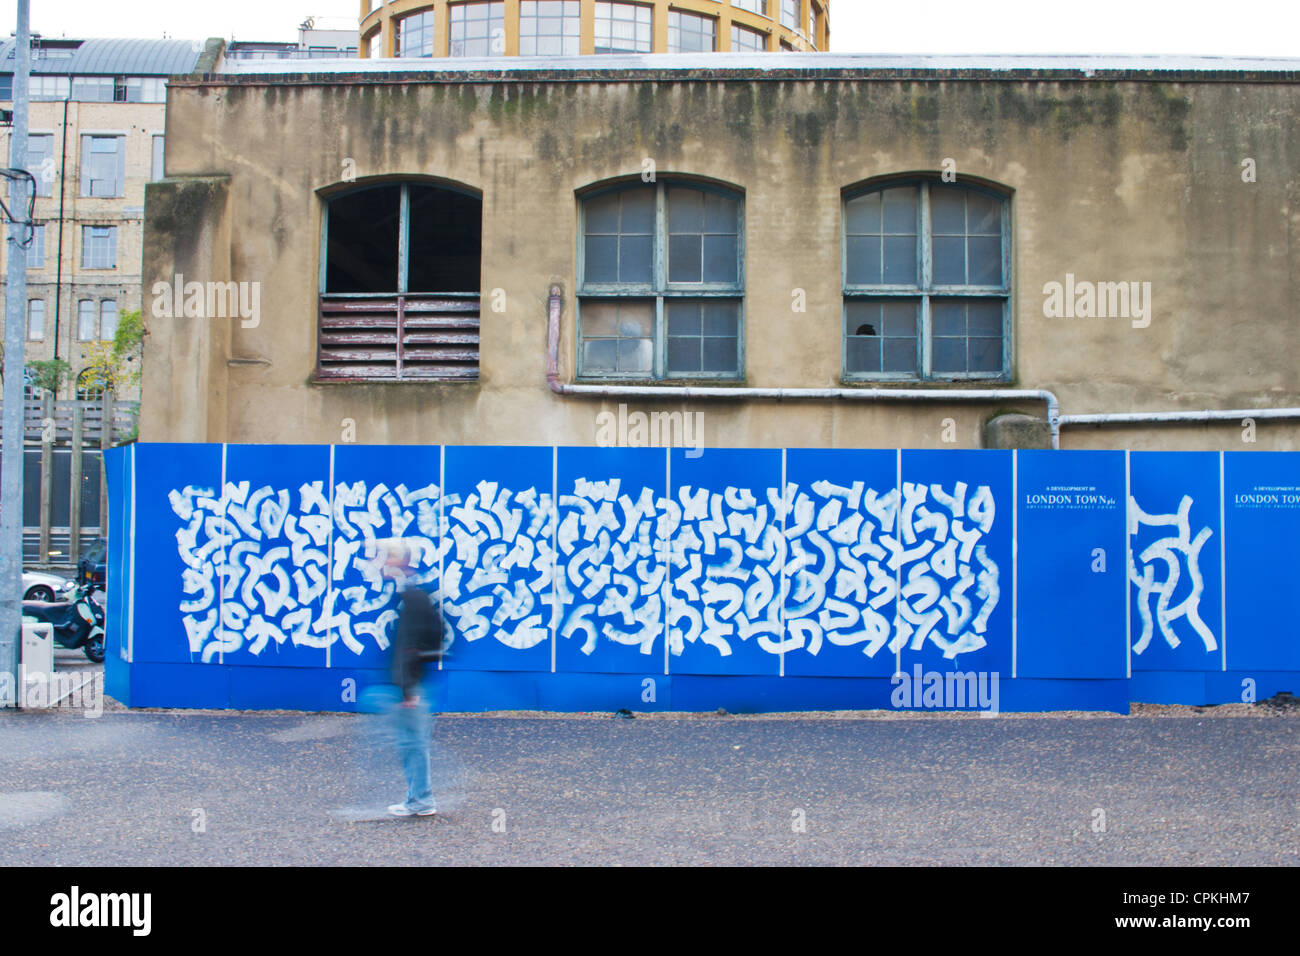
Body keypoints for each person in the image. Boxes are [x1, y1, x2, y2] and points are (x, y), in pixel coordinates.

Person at [378, 540, 445, 818]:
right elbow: (430, 638)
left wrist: (408, 687)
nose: (383, 564)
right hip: (411, 684)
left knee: (413, 745)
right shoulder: (413, 597)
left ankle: (421, 800)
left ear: (400, 563)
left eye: (388, 559)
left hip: (411, 687)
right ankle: (417, 798)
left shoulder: (414, 599)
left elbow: (412, 645)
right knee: (411, 744)